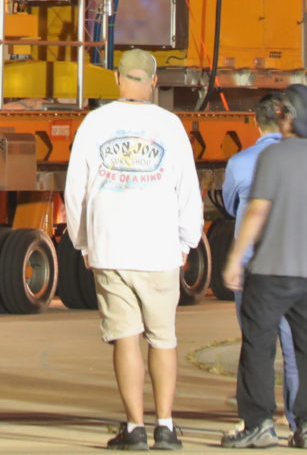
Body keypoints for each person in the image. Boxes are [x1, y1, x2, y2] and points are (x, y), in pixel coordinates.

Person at [62, 50, 204, 452]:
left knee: (125, 338)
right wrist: (185, 241)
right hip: (159, 249)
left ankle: (135, 428)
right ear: (154, 82)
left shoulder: (94, 123)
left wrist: (83, 241)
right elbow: (187, 189)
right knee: (163, 338)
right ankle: (166, 426)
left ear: (118, 80)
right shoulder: (170, 126)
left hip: (112, 248)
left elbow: (76, 191)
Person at [221, 84, 307, 450]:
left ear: (289, 117)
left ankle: (260, 422)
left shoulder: (273, 158)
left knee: (258, 347)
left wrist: (235, 259)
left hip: (271, 271)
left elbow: (256, 211)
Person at [221, 94, 300, 425]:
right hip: (294, 263)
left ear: (255, 122)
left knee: (256, 347)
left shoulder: (239, 162)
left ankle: (256, 419)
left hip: (253, 266)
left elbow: (230, 206)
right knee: (295, 350)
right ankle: (300, 420)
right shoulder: (300, 160)